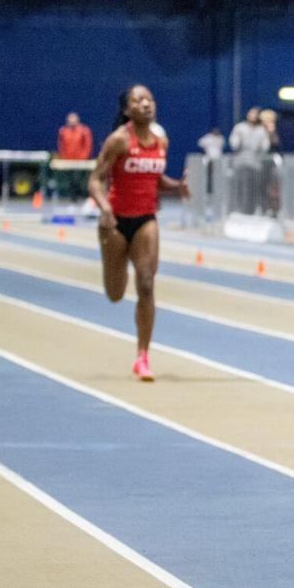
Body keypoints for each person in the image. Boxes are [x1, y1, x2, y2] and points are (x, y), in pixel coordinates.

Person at [86, 86, 188, 381]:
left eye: (149, 99)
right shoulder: (119, 140)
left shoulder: (160, 140)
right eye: (138, 101)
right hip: (115, 221)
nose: (145, 104)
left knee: (146, 284)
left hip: (146, 219)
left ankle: (142, 357)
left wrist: (174, 186)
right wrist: (104, 207)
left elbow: (153, 178)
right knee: (116, 293)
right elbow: (96, 179)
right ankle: (117, 266)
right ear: (127, 110)